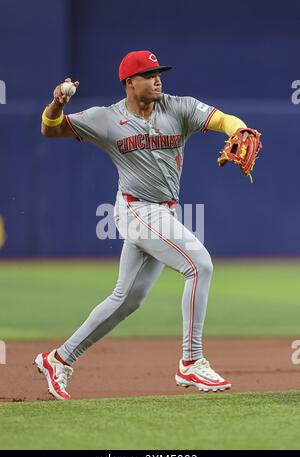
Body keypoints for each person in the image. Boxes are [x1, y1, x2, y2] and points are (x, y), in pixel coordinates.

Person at [34, 50, 258, 400]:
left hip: (162, 213)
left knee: (127, 300)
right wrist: (56, 104)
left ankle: (58, 358)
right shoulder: (106, 118)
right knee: (199, 265)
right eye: (149, 74)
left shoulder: (178, 106)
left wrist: (239, 129)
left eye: (159, 73)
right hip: (135, 209)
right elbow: (51, 130)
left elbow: (224, 120)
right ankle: (191, 361)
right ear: (129, 83)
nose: (158, 79)